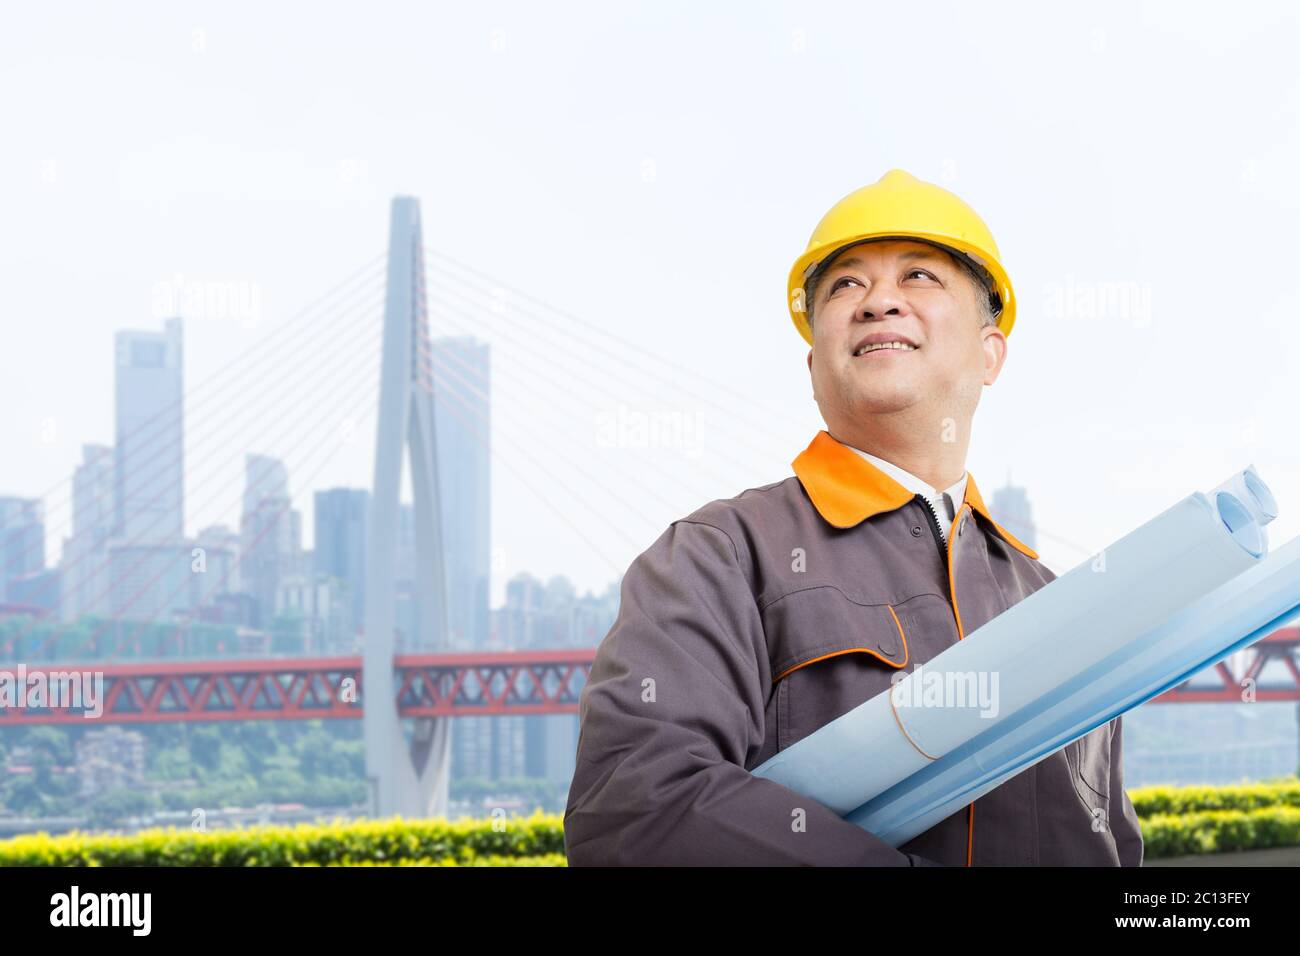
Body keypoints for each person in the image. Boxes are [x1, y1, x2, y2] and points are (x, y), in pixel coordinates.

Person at [563, 168, 1143, 866]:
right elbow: (635, 810)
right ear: (814, 365)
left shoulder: (1054, 603)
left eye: (921, 277)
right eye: (845, 286)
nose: (877, 303)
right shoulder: (719, 557)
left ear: (991, 354)